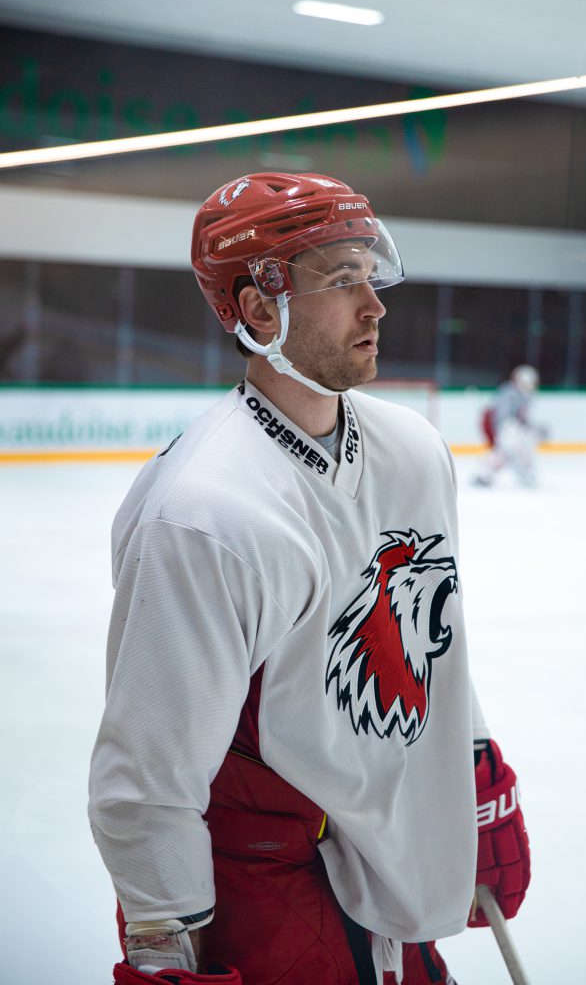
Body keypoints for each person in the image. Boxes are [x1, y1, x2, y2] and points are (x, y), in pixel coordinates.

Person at [88, 172, 531, 985]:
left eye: (369, 271)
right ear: (259, 308)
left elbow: (434, 639)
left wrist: (473, 771)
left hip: (388, 851)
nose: (375, 304)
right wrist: (162, 945)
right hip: (266, 885)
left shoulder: (413, 449)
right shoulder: (201, 513)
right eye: (339, 279)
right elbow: (148, 775)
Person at [474, 365, 547, 487]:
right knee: (507, 450)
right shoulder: (509, 393)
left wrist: (533, 428)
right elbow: (503, 417)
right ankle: (484, 473)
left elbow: (523, 419)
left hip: (511, 430)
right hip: (504, 428)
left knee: (515, 451)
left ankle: (523, 474)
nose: (530, 385)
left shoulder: (527, 396)